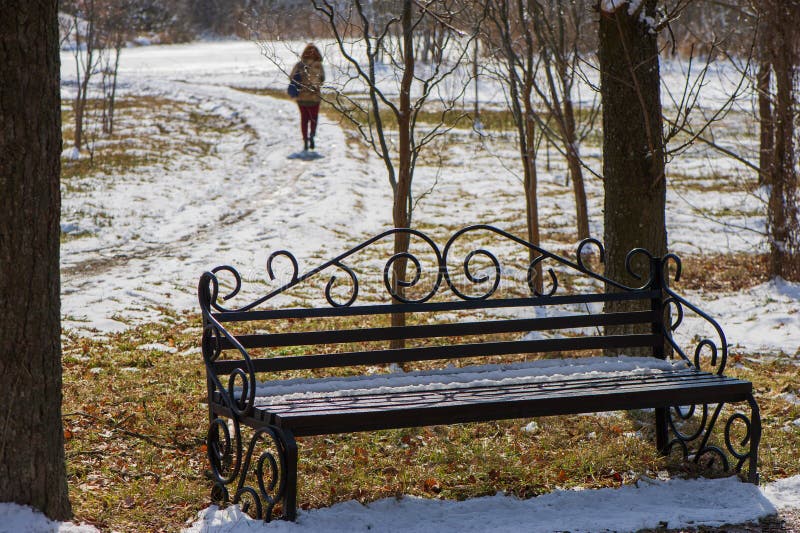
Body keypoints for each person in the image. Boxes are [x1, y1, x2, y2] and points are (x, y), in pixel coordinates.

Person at [289, 43, 325, 151]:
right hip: (315, 98)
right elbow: (322, 79)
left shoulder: (299, 65)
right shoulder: (318, 65)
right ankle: (312, 136)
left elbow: (291, 78)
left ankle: (305, 140)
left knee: (304, 119)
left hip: (301, 98)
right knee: (313, 119)